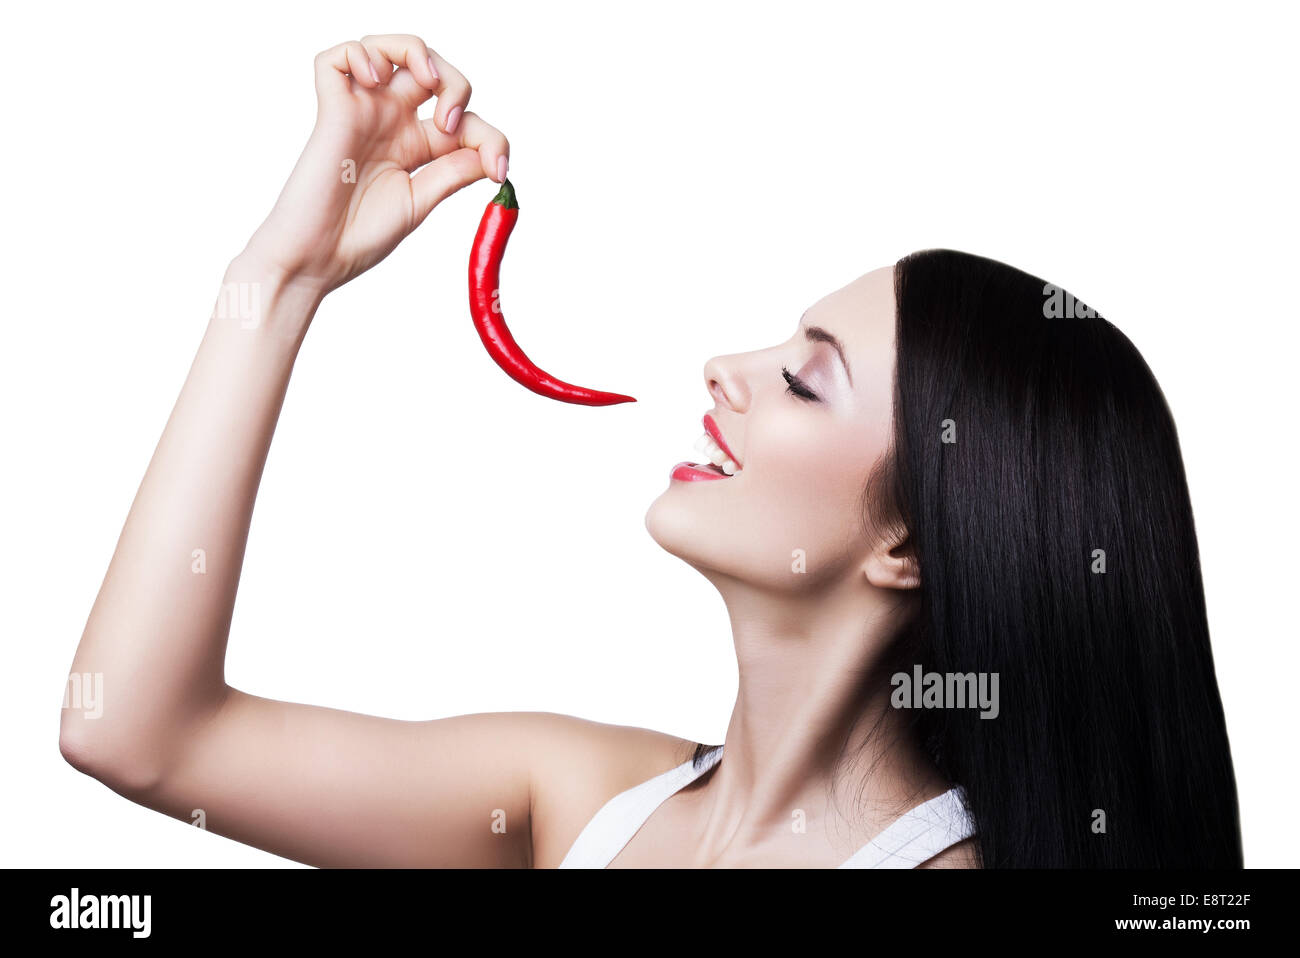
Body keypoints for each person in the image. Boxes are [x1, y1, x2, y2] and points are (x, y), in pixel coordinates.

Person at [59, 34, 1242, 869]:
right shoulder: (578, 803)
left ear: (905, 543)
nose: (726, 366)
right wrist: (280, 280)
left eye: (802, 377)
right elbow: (136, 732)